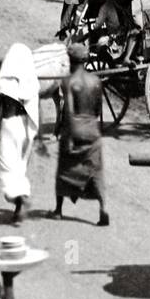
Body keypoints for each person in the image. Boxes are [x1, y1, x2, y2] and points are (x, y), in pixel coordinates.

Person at [49, 44, 108, 226]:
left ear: (69, 60)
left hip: (74, 131)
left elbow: (69, 110)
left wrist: (64, 131)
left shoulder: (68, 82)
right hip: (92, 131)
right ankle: (103, 209)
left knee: (64, 170)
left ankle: (59, 210)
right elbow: (98, 110)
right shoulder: (96, 81)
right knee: (96, 171)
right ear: (86, 60)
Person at [0, 43, 39, 224]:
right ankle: (19, 205)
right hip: (25, 127)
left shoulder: (4, 82)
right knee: (19, 167)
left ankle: (20, 199)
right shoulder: (30, 83)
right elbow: (35, 111)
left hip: (9, 126)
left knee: (6, 169)